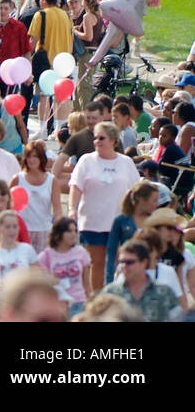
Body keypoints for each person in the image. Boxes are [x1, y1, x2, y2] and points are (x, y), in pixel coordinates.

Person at [69, 120, 139, 294]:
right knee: (97, 263)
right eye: (95, 138)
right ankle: (97, 299)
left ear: (114, 141)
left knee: (120, 263)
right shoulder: (86, 161)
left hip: (121, 222)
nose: (97, 142)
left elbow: (136, 190)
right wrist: (71, 209)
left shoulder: (126, 162)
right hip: (93, 221)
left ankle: (118, 298)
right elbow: (75, 186)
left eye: (102, 138)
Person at [101, 239, 183, 322]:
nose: (124, 266)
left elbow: (178, 318)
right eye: (121, 262)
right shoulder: (110, 293)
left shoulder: (164, 292)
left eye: (129, 262)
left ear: (144, 262)